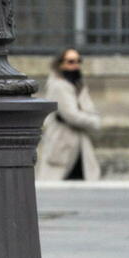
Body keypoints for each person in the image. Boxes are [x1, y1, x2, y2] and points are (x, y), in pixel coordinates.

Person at [41, 47, 102, 181]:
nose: (75, 65)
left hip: (78, 144)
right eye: (70, 61)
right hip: (62, 144)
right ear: (61, 64)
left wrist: (90, 116)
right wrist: (94, 121)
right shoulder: (59, 86)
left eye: (78, 61)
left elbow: (90, 109)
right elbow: (72, 115)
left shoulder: (78, 85)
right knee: (55, 184)